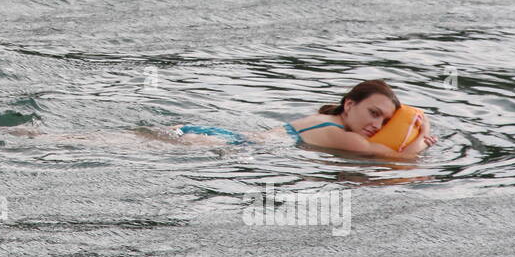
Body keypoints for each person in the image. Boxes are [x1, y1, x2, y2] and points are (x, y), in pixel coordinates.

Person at [175, 79, 437, 158]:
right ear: (349, 104)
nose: (377, 126)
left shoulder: (326, 117)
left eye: (385, 122)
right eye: (374, 113)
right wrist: (423, 133)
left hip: (219, 137)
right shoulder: (340, 135)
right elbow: (401, 158)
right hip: (225, 144)